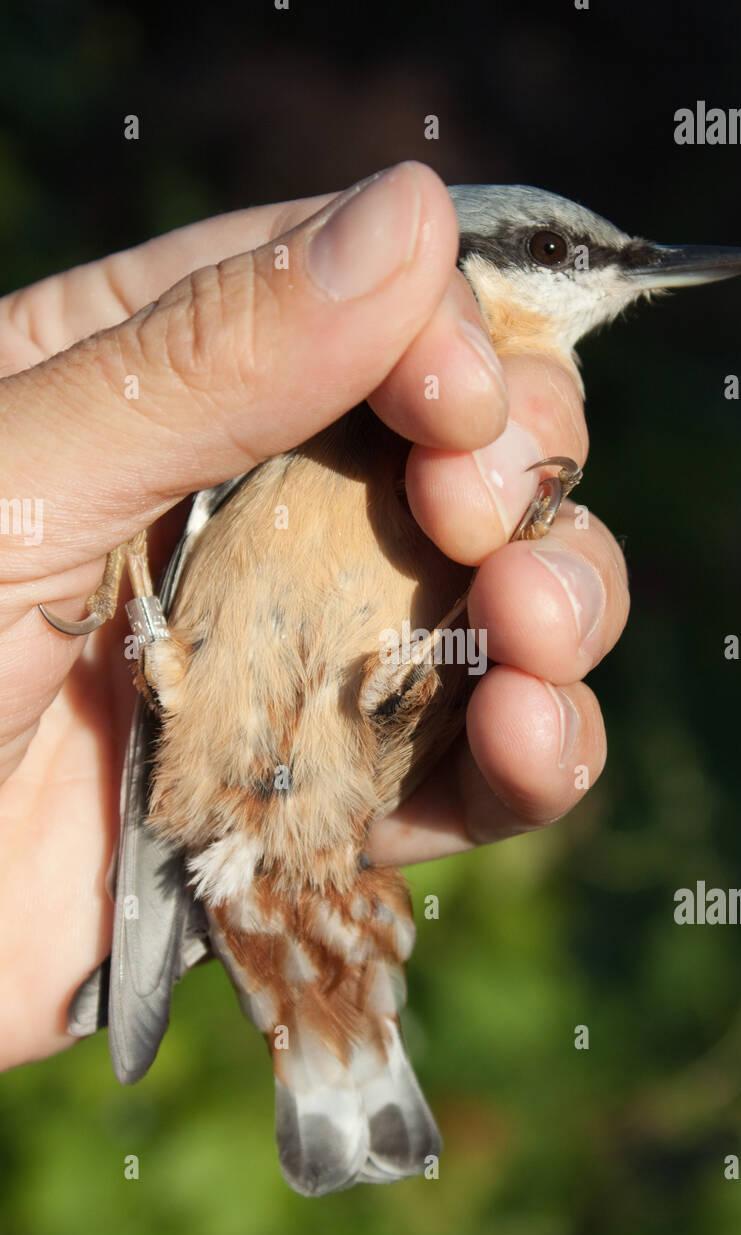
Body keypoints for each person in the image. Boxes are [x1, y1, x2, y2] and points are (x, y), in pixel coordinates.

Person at [0, 162, 629, 1069]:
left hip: (277, 777)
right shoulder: (343, 368)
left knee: (482, 622)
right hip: (245, 761)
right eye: (554, 252)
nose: (610, 277)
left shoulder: (475, 396)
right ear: (460, 265)